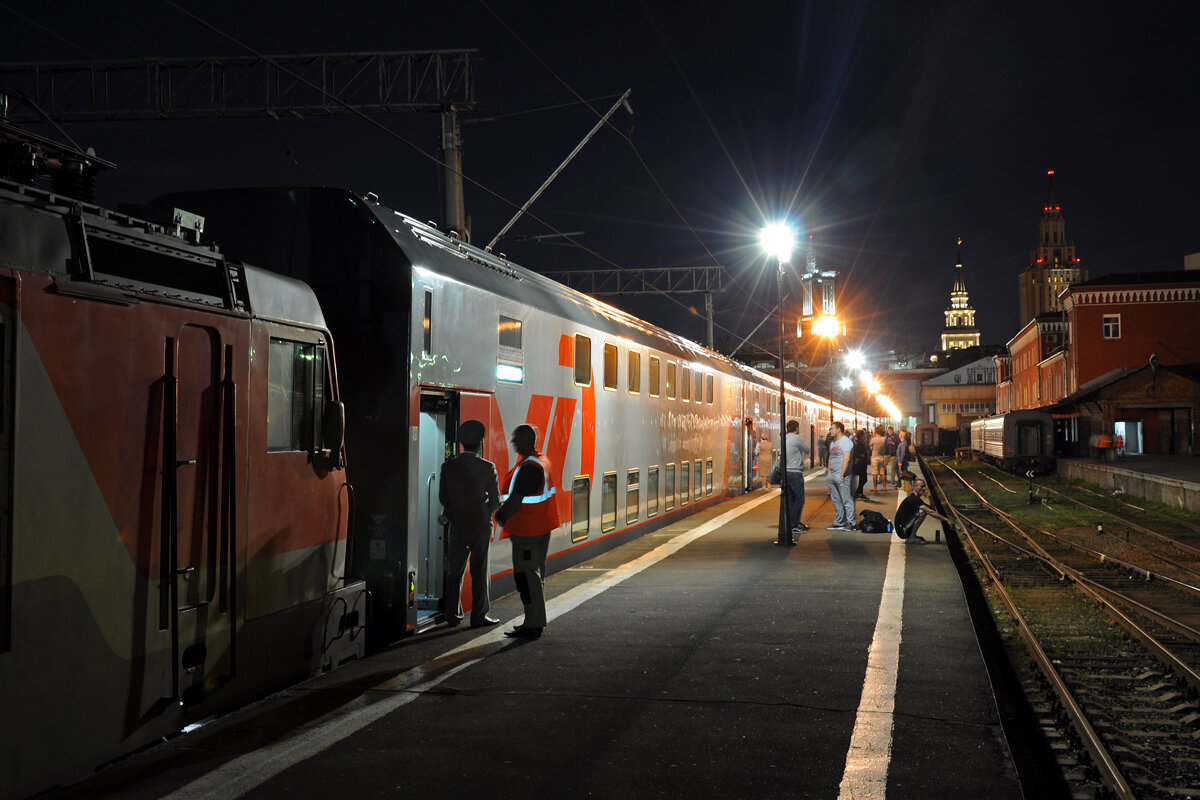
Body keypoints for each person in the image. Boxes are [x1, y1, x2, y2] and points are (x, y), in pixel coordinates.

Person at [495, 424, 562, 640]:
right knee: (534, 575)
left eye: (516, 438)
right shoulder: (540, 461)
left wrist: (501, 515)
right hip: (539, 528)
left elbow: (516, 498)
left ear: (526, 440)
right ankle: (533, 621)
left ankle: (533, 624)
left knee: (527, 577)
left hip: (528, 532)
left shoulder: (530, 467)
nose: (513, 442)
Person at [439, 420, 503, 629]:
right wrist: (484, 511)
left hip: (457, 526)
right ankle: (479, 616)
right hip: (480, 527)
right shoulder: (487, 467)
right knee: (480, 571)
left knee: (454, 572)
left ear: (462, 443)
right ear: (480, 443)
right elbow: (495, 500)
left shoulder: (448, 466)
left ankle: (452, 615)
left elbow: (443, 498)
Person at [894, 478, 955, 545]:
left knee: (923, 511)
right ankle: (911, 538)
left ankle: (912, 535)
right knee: (922, 512)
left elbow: (932, 510)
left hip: (905, 527)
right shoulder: (913, 499)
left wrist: (930, 497)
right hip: (902, 530)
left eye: (924, 486)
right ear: (915, 487)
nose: (924, 488)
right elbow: (930, 512)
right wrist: (947, 520)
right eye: (921, 486)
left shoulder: (917, 499)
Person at [783, 419, 812, 539]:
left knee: (790, 499)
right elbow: (807, 450)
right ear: (797, 428)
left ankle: (792, 522)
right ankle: (794, 524)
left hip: (786, 473)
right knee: (799, 499)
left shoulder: (784, 438)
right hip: (795, 472)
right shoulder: (796, 438)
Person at [825, 422, 856, 531]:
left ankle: (851, 523)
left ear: (839, 429)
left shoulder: (845, 442)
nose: (830, 431)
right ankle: (839, 522)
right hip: (832, 475)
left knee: (846, 499)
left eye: (832, 429)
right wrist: (829, 472)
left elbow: (846, 458)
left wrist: (842, 474)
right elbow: (830, 457)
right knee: (836, 500)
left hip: (841, 475)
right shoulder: (833, 442)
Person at [851, 429, 870, 501]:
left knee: (863, 479)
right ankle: (858, 493)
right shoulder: (858, 442)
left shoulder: (858, 441)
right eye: (864, 434)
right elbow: (857, 452)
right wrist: (862, 456)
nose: (865, 436)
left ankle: (858, 493)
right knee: (864, 479)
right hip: (860, 463)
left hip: (861, 463)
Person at [869, 425, 888, 492]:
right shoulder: (884, 439)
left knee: (875, 473)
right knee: (882, 473)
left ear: (876, 432)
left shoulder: (873, 439)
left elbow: (871, 448)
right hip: (881, 457)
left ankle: (875, 487)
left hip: (874, 458)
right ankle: (884, 487)